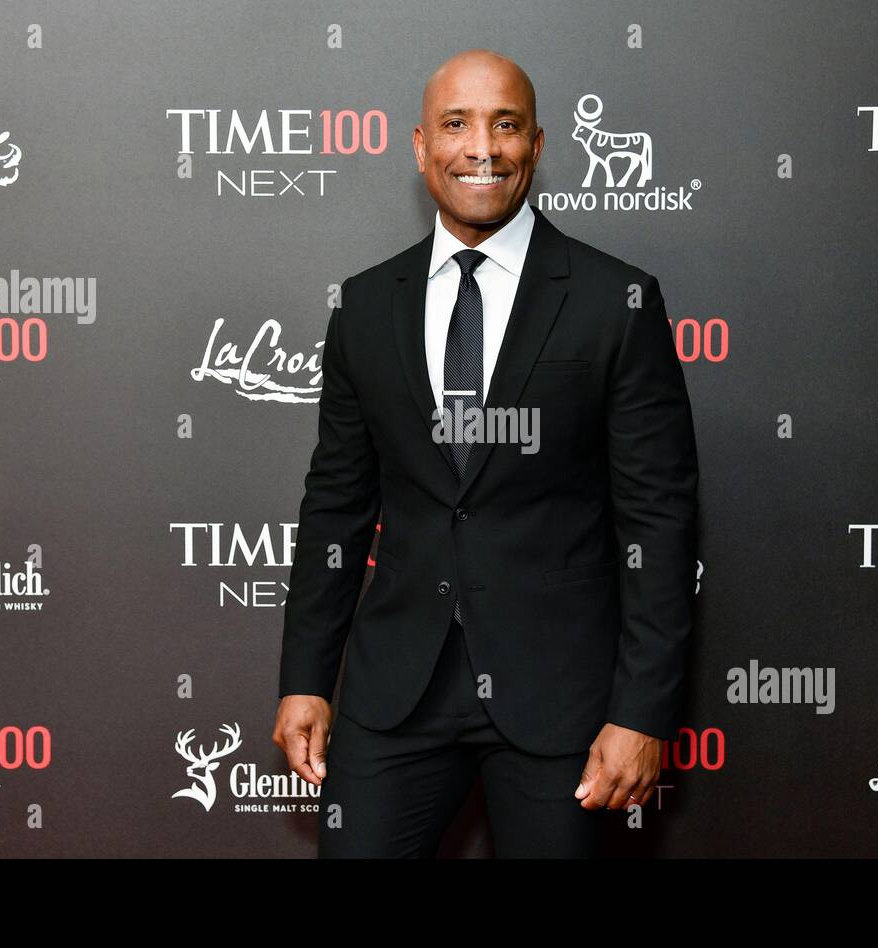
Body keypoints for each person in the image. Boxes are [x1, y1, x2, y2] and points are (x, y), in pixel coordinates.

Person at [272, 48, 699, 858]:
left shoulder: (616, 300)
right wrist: (304, 676)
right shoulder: (365, 306)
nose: (482, 148)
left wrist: (641, 712)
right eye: (457, 124)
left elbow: (660, 520)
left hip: (561, 698)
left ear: (536, 145)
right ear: (420, 145)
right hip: (396, 689)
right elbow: (335, 504)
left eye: (505, 125)